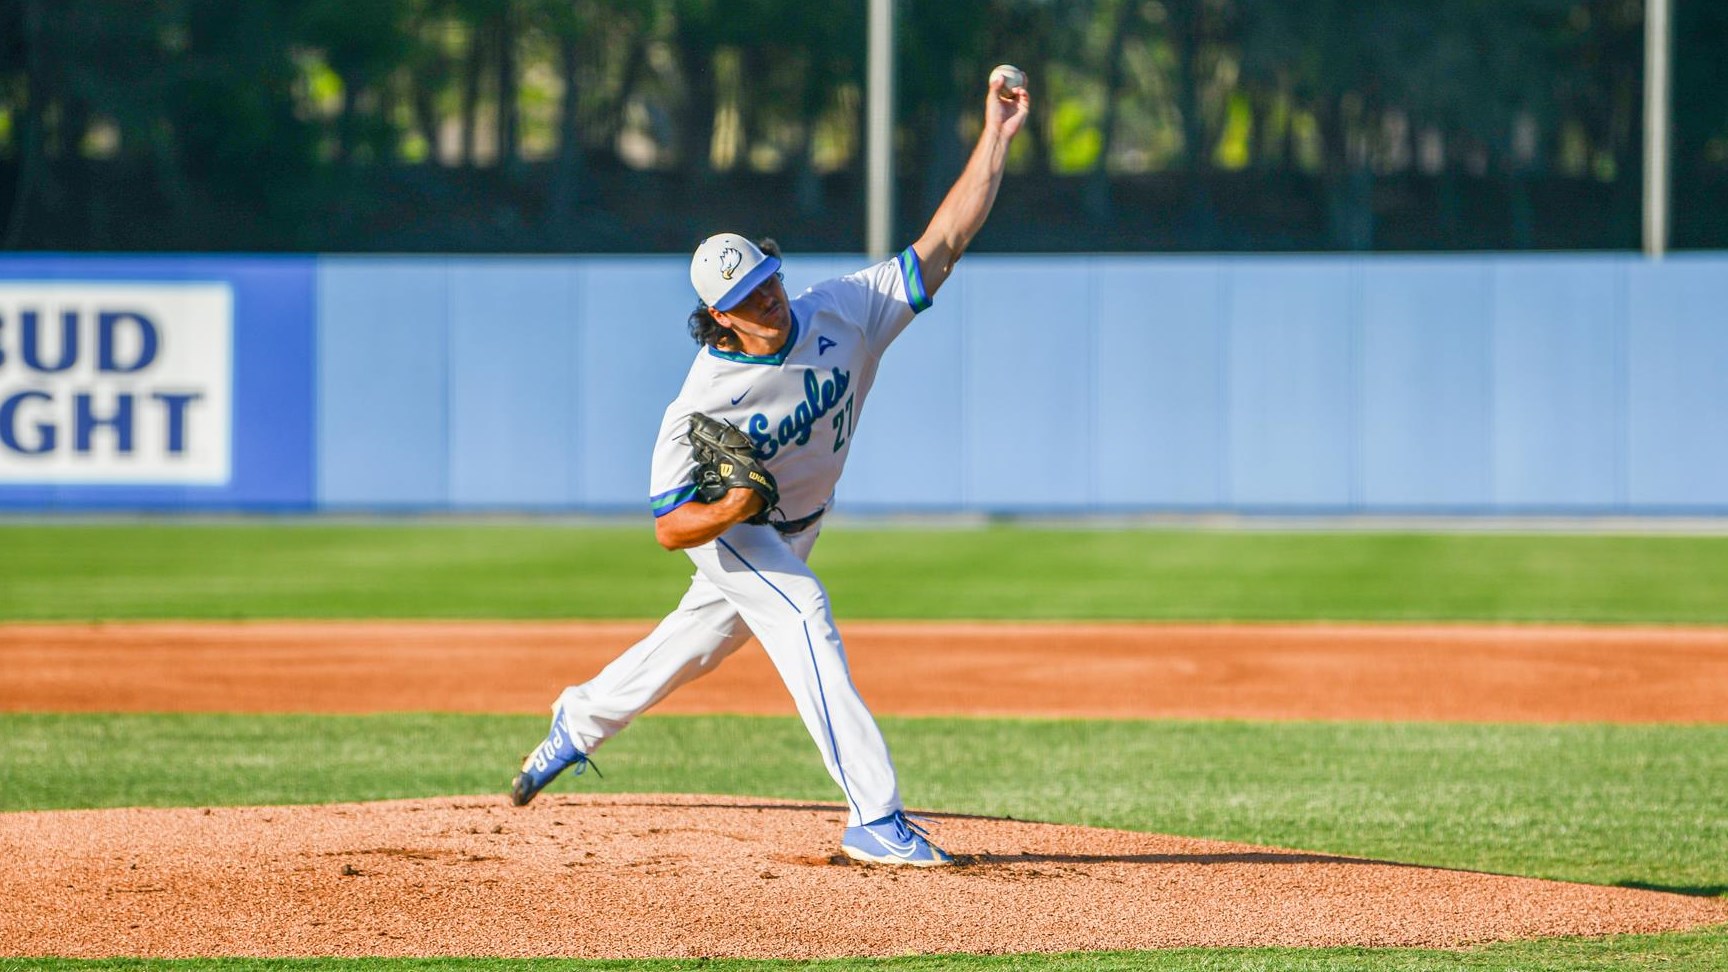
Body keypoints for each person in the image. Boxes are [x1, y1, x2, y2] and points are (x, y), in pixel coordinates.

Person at [510, 72, 1031, 867]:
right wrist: (733, 507)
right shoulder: (698, 408)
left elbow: (945, 242)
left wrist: (994, 136)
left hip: (799, 525)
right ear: (719, 315)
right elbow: (668, 525)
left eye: (768, 280)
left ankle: (576, 722)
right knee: (801, 612)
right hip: (737, 531)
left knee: (700, 641)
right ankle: (873, 815)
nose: (769, 301)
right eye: (749, 298)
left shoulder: (841, 309)